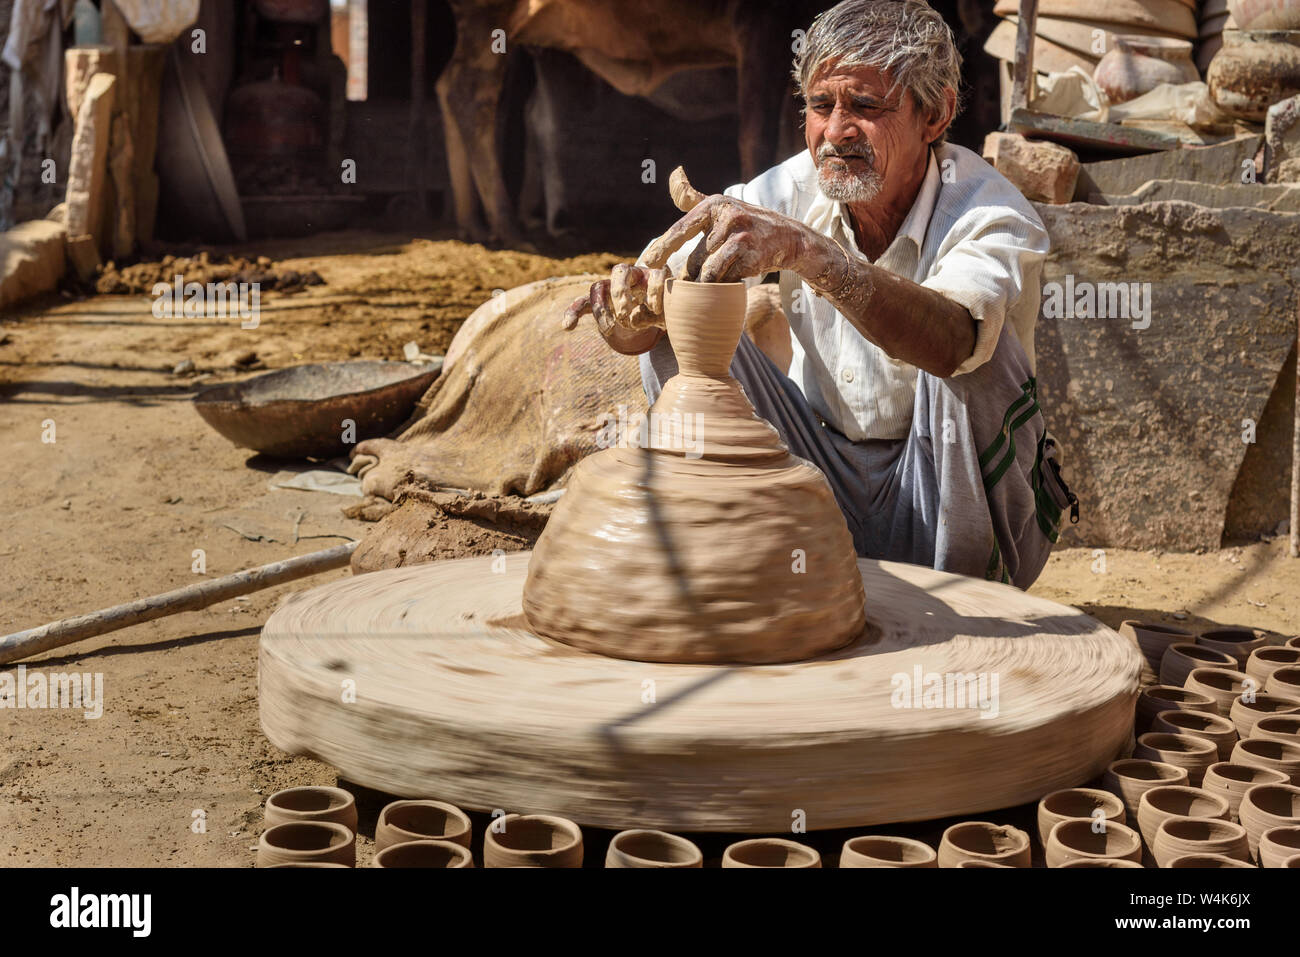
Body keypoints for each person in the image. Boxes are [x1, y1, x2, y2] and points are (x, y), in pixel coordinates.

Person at [563, 0, 1077, 588]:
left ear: (934, 115)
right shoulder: (790, 186)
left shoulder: (989, 210)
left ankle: (968, 606)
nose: (834, 132)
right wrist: (628, 314)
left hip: (948, 496)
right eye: (819, 105)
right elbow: (652, 309)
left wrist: (810, 255)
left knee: (973, 352)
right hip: (817, 484)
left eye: (864, 106)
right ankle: (747, 562)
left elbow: (952, 342)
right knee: (680, 319)